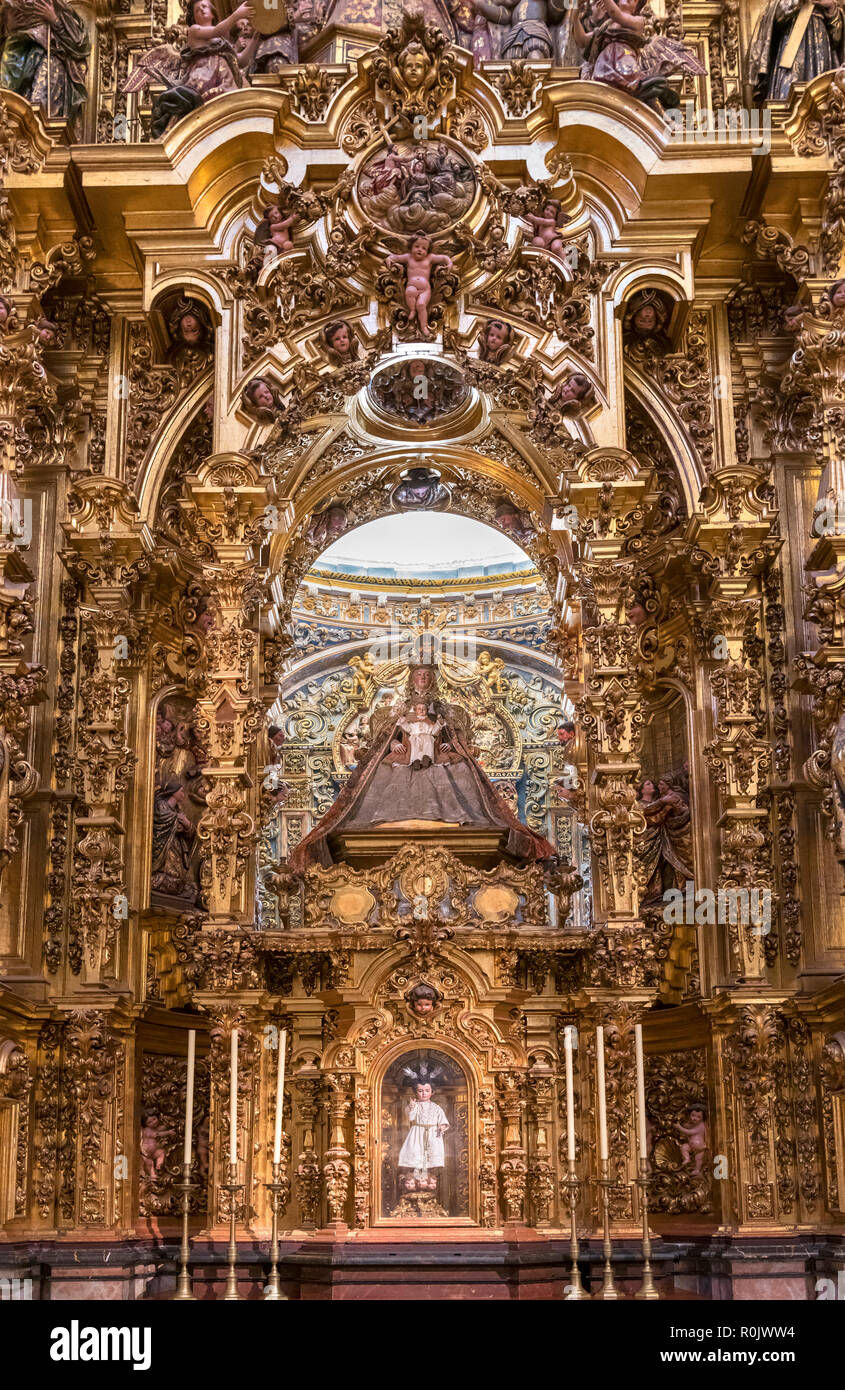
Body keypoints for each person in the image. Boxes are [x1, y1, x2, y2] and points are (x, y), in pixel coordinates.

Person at [0, 0, 90, 128]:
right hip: (16, 54)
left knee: (39, 111)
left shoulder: (56, 5)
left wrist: (54, 19)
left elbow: (80, 43)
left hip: (49, 59)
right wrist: (8, 27)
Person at [747, 0, 844, 103]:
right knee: (788, 91)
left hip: (820, 46)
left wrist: (831, 9)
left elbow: (836, 39)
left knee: (822, 93)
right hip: (792, 45)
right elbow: (777, 15)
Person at [386, 234, 454, 339]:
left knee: (421, 305)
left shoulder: (430, 258)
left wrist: (449, 265)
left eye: (424, 248)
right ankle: (412, 309)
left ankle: (424, 326)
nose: (420, 250)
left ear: (428, 250)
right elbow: (393, 257)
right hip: (411, 286)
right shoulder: (408, 257)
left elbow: (444, 258)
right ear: (411, 246)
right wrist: (390, 263)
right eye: (417, 246)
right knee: (409, 292)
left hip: (425, 289)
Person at [397, 1081, 449, 1191]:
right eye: (420, 1091)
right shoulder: (415, 1105)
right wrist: (411, 1107)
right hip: (417, 1133)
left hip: (433, 1134)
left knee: (430, 1157)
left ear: (432, 1092)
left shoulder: (436, 1107)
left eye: (427, 1091)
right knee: (416, 1155)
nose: (424, 1094)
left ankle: (427, 1180)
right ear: (416, 1093)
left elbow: (443, 1120)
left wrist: (442, 1127)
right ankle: (416, 1179)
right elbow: (411, 1118)